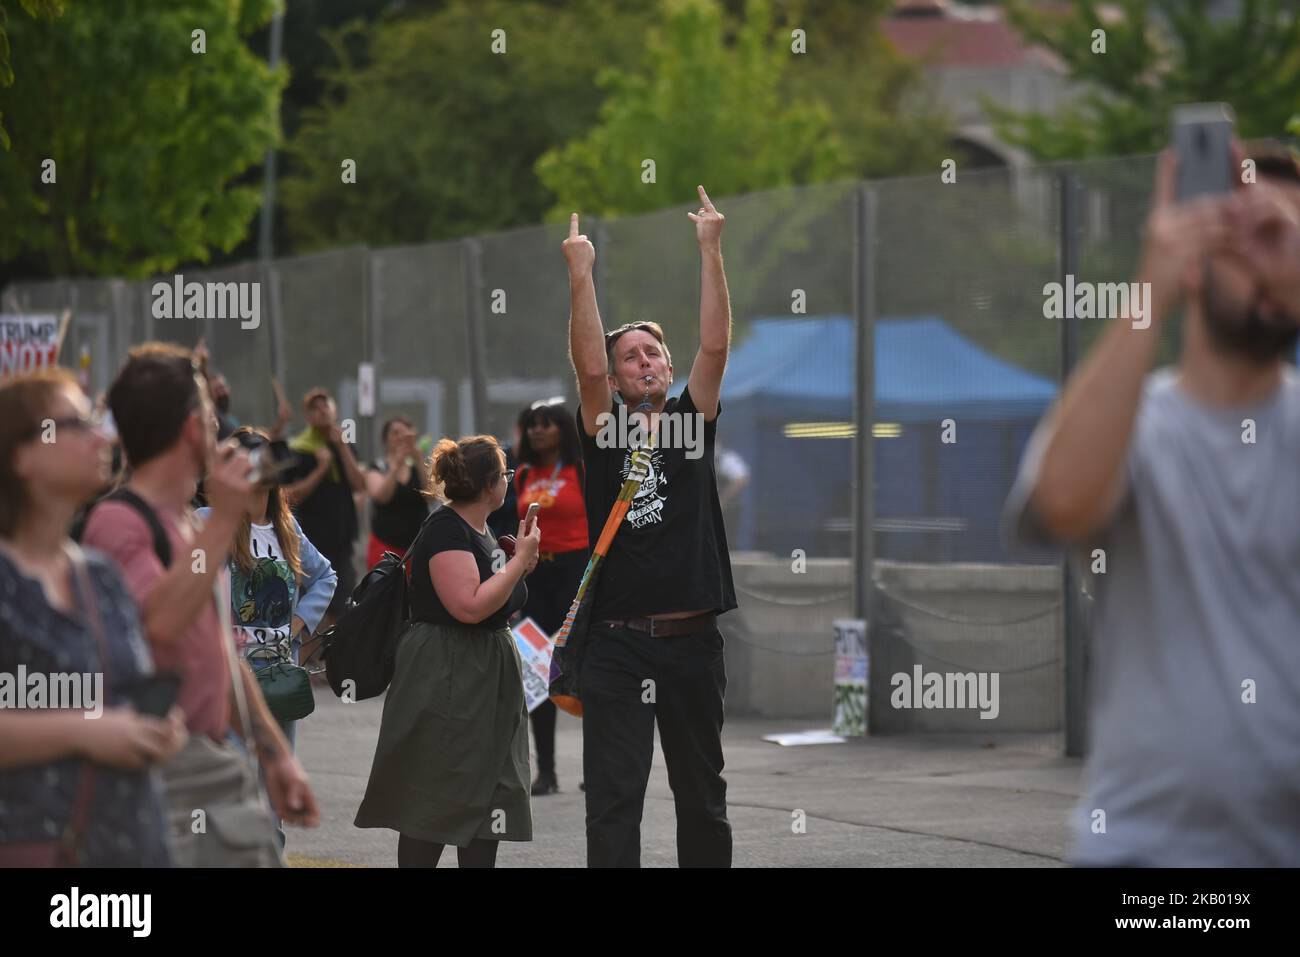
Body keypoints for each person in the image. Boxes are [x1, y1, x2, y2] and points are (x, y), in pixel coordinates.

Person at [1003, 142, 1300, 866]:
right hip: (1144, 854)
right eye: (1247, 235)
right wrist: (1153, 281)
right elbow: (1063, 505)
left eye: (1286, 239)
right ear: (1197, 258)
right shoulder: (1135, 425)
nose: (1269, 257)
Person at [81, 343, 320, 865]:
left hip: (216, 759)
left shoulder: (188, 525)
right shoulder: (120, 523)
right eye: (211, 415)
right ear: (193, 428)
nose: (220, 428)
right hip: (161, 770)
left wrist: (276, 756)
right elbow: (161, 623)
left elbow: (218, 653)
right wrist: (222, 520)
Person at [562, 186, 737, 868]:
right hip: (618, 646)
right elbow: (587, 365)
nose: (644, 361)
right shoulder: (603, 428)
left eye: (652, 352)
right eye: (629, 355)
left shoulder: (693, 422)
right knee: (613, 801)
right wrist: (581, 275)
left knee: (702, 796)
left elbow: (716, 345)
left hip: (693, 644)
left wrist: (711, 249)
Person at [0, 368, 186, 867]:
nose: (101, 436)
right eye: (75, 424)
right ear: (21, 455)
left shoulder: (99, 575)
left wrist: (157, 727)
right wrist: (87, 729)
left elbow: (123, 695)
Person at [355, 435, 540, 868]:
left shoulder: (480, 529)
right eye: (506, 475)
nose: (510, 482)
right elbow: (469, 606)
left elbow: (494, 600)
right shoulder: (445, 528)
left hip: (484, 675)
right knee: (436, 793)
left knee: (486, 794)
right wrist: (516, 564)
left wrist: (520, 564)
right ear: (490, 484)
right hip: (449, 673)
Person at [512, 400, 589, 796]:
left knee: (587, 671)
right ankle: (547, 772)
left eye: (545, 424)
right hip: (537, 577)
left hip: (578, 574)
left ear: (562, 427)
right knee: (538, 674)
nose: (537, 432)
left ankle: (597, 767)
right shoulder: (523, 473)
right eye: (531, 425)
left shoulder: (581, 468)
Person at [285, 388, 366, 629]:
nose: (322, 410)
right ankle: (309, 660)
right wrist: (320, 469)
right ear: (307, 416)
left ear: (334, 409)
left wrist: (341, 448)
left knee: (342, 607)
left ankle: (329, 662)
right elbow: (290, 496)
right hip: (311, 541)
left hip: (342, 542)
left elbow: (360, 484)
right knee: (312, 606)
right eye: (314, 408)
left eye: (325, 405)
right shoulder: (299, 449)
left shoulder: (344, 444)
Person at [364, 415, 431, 569]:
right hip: (385, 546)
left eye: (405, 434)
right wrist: (396, 466)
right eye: (395, 433)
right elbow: (381, 497)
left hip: (417, 548)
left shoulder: (417, 469)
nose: (401, 438)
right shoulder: (378, 468)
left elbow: (431, 495)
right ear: (386, 439)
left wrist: (418, 457)